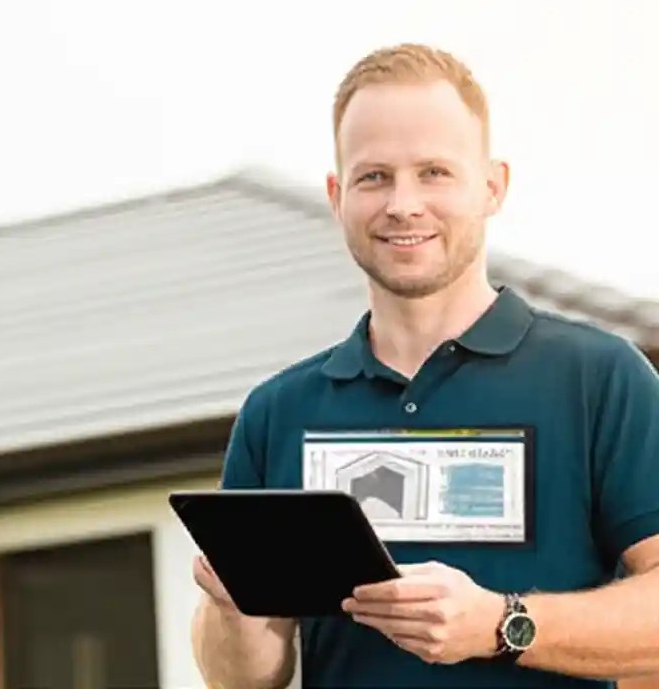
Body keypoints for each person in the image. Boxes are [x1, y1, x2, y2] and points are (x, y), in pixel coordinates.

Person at [190, 43, 659, 689]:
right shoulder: (279, 413)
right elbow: (243, 681)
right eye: (373, 177)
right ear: (336, 196)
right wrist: (230, 607)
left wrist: (501, 624)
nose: (403, 204)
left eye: (434, 172)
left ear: (492, 187)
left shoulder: (600, 381)